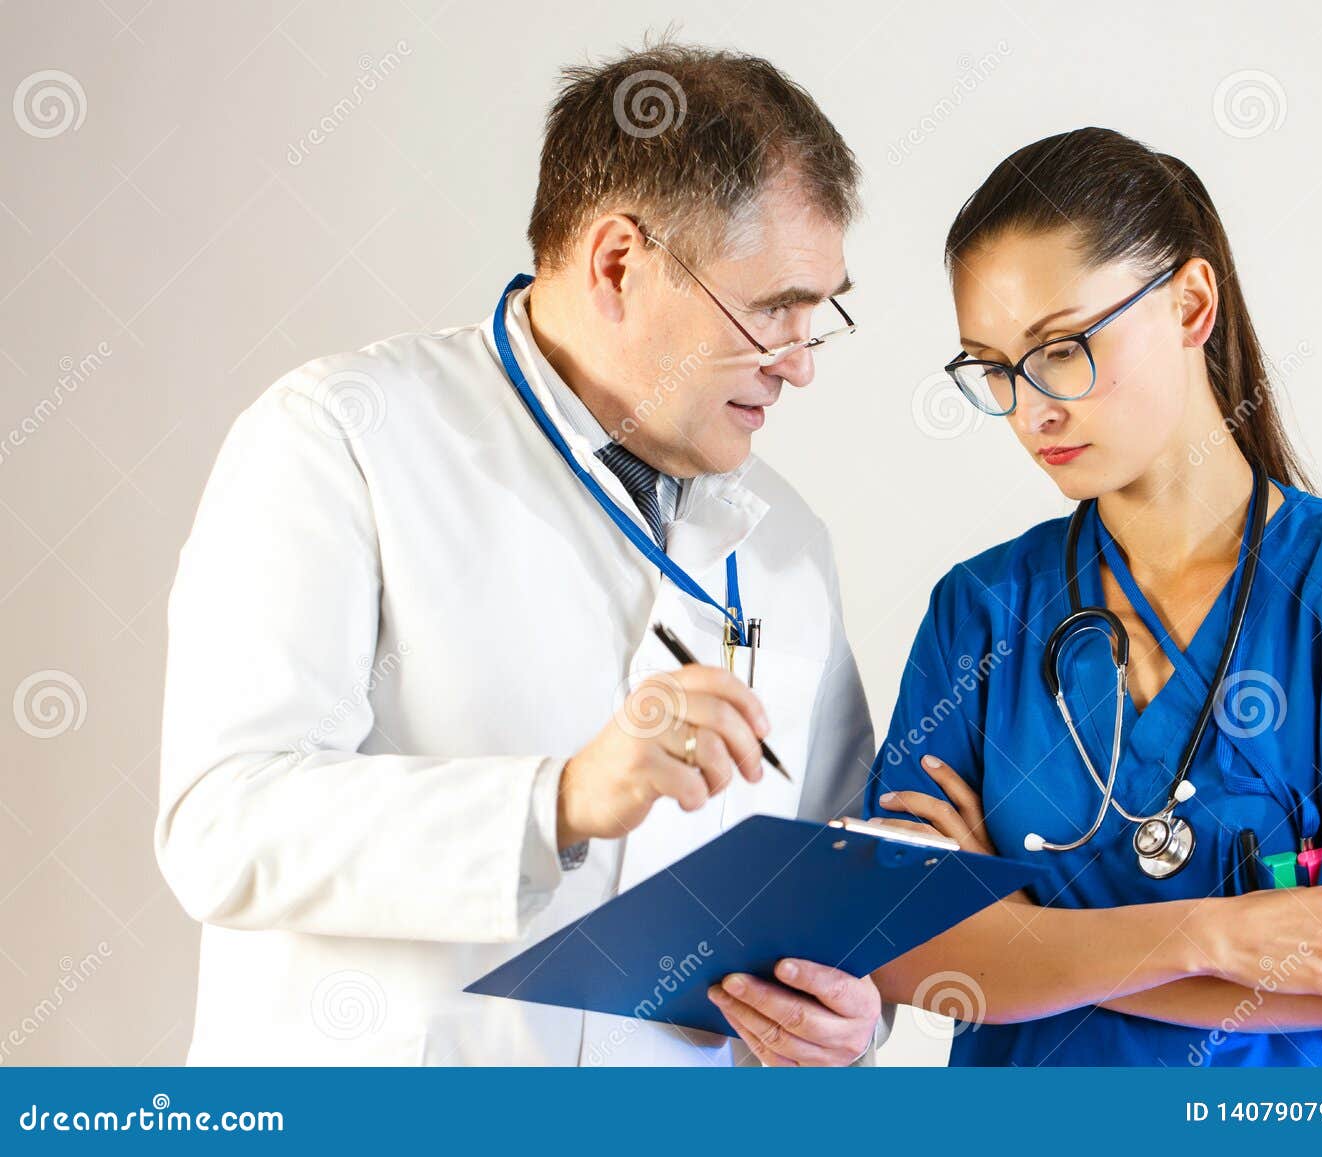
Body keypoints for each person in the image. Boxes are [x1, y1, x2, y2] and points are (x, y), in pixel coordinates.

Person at [154, 43, 883, 1067]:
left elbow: (825, 870)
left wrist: (849, 1008)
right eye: (771, 310)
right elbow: (222, 825)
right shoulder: (344, 438)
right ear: (618, 264)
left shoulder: (786, 539)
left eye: (819, 313)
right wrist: (559, 798)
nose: (801, 365)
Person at [861, 128, 1322, 1066]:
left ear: (1190, 304)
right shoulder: (981, 612)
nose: (1031, 409)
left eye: (1061, 349)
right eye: (992, 367)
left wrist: (1023, 933)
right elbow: (898, 945)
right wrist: (1215, 936)